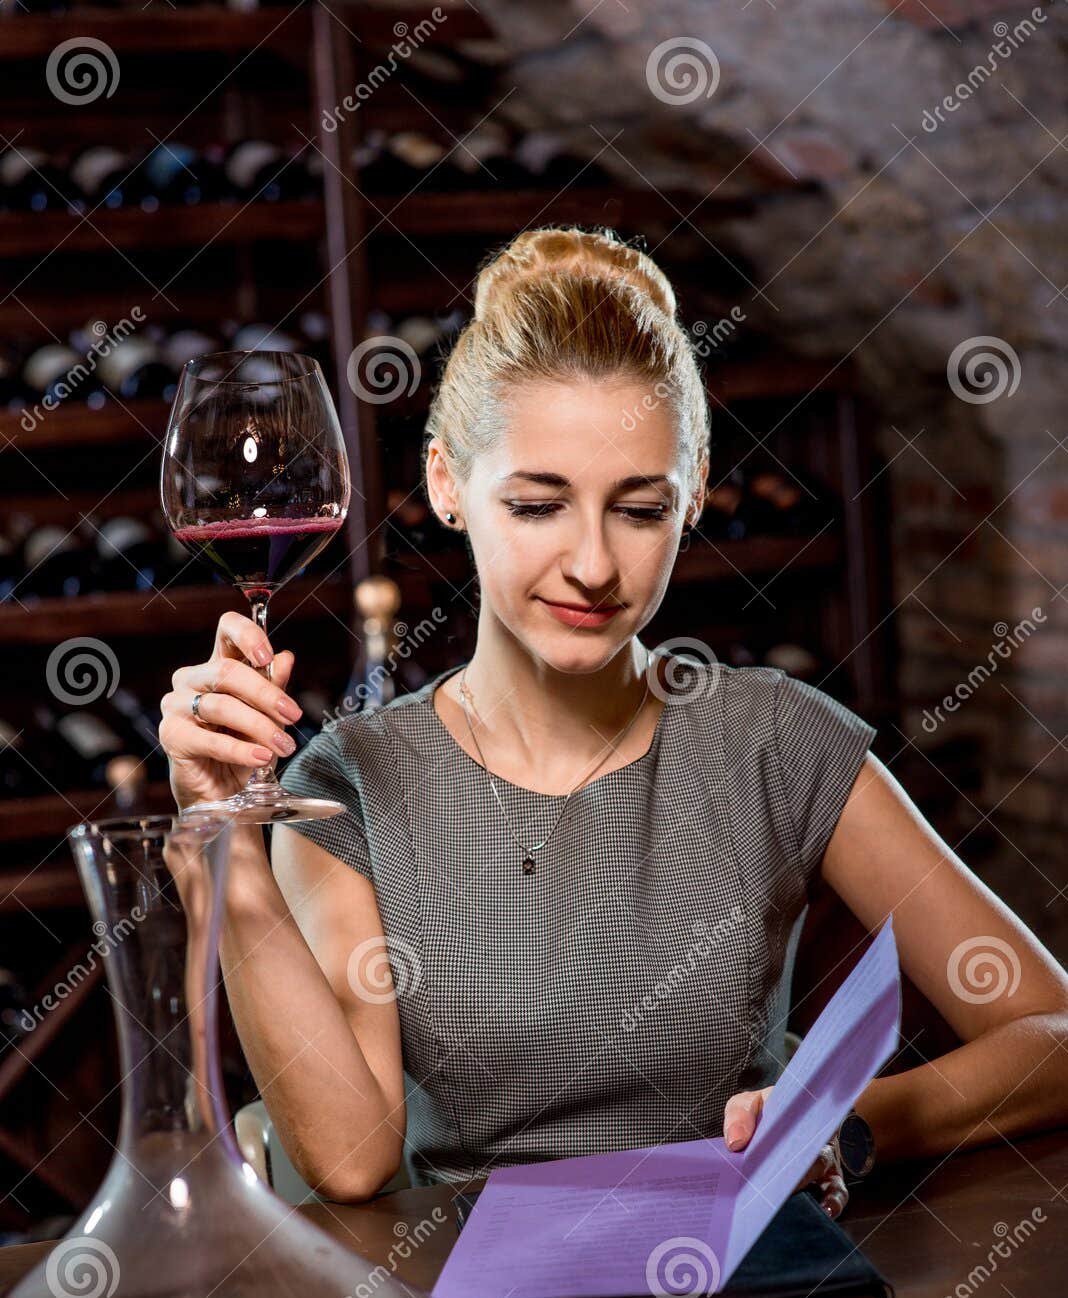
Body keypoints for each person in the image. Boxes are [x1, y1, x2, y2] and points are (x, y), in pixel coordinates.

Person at [159, 226, 1068, 1210]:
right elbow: (349, 1158)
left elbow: (1049, 1036)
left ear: (693, 493)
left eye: (637, 509)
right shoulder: (350, 784)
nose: (593, 565)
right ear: (447, 485)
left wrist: (849, 1123)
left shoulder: (776, 740)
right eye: (539, 505)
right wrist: (224, 853)